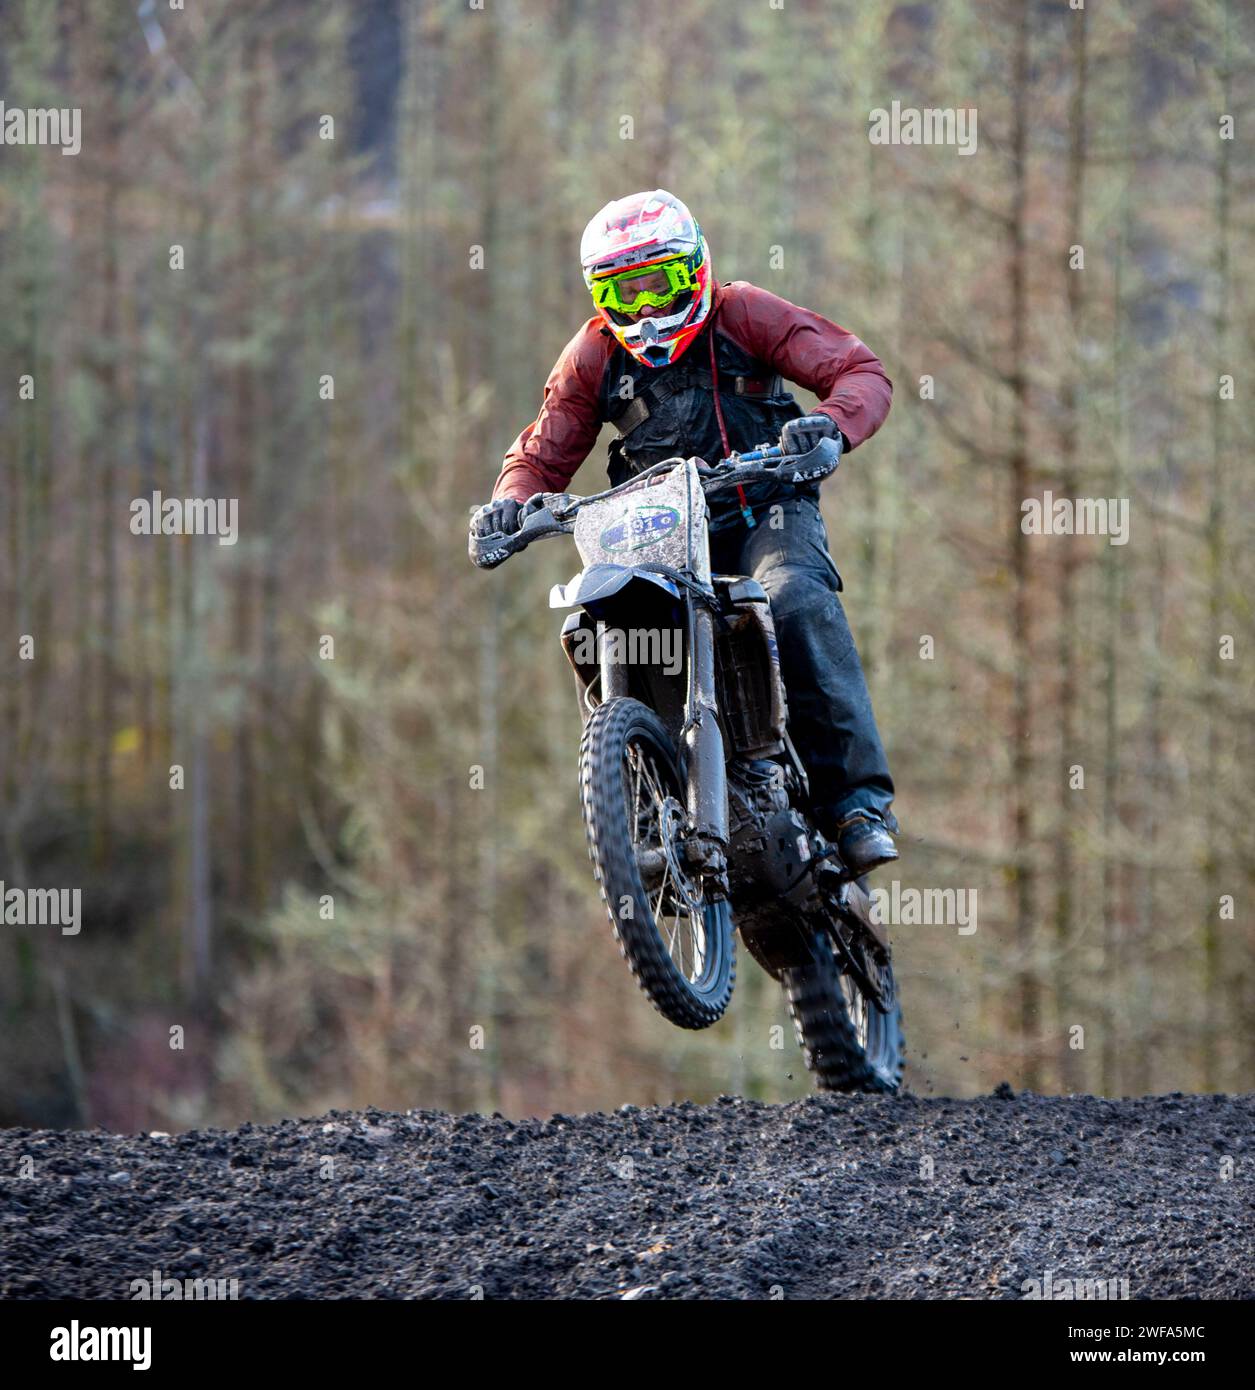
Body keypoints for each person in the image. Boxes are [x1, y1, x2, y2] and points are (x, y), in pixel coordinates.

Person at [471, 189, 898, 874]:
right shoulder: (592, 355)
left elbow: (857, 369)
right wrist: (509, 503)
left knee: (793, 599)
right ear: (599, 297)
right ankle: (643, 799)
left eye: (657, 285)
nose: (643, 310)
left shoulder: (744, 313)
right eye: (622, 292)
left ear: (693, 269)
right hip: (655, 527)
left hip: (766, 510)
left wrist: (830, 426)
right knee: (604, 617)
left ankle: (856, 804)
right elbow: (542, 451)